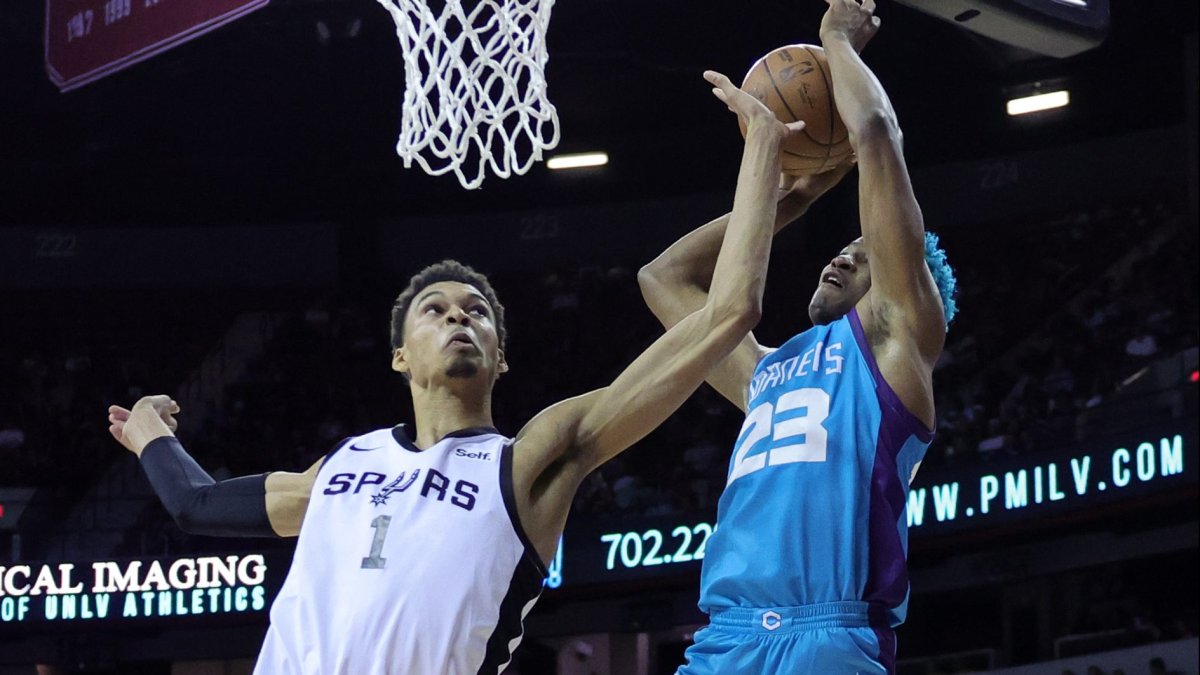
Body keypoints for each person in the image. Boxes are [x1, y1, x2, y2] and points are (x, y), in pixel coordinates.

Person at [105, 70, 807, 675]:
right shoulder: (339, 469)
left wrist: (765, 159)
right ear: (400, 356)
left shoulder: (530, 460)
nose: (458, 317)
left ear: (501, 354)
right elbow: (195, 505)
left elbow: (727, 314)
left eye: (477, 311)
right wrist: (148, 434)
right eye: (434, 310)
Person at [638, 1, 959, 672]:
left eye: (864, 256)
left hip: (828, 636)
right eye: (843, 248)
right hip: (724, 640)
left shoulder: (895, 346)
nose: (842, 257)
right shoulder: (765, 371)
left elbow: (875, 132)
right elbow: (664, 278)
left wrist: (836, 39)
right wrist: (795, 198)